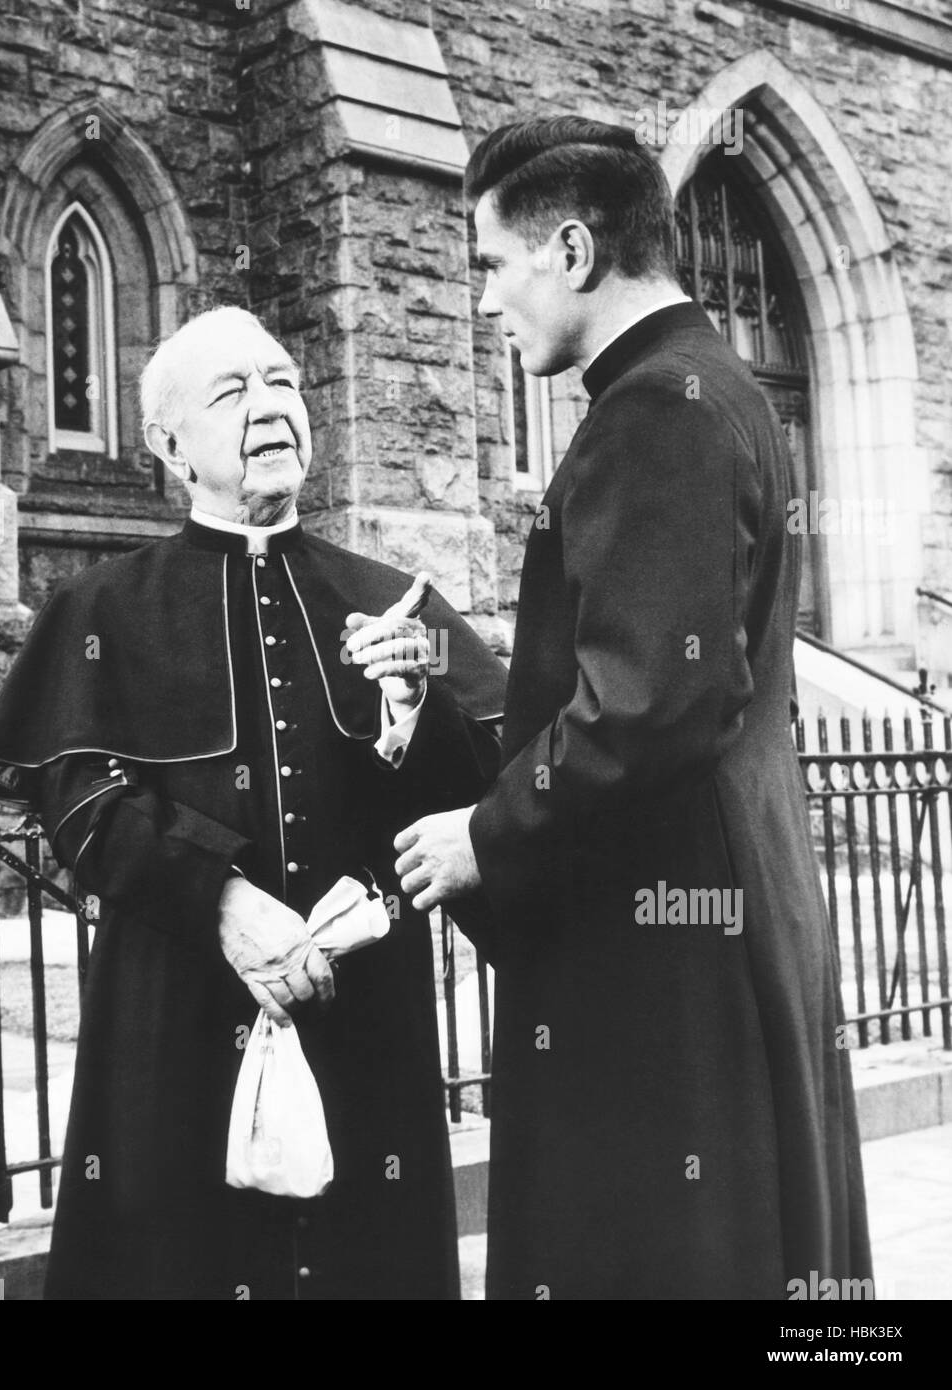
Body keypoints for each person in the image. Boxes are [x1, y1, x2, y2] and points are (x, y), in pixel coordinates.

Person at [394, 118, 872, 1300]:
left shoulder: (652, 412)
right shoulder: (715, 385)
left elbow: (646, 705)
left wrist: (484, 834)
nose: (487, 303)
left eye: (493, 266)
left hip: (661, 962)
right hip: (720, 912)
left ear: (568, 249)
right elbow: (657, 664)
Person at [0, 305, 506, 1300]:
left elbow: (480, 805)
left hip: (361, 1014)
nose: (268, 408)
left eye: (282, 384)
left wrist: (407, 712)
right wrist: (217, 895)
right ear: (169, 446)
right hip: (178, 1009)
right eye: (232, 392)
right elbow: (75, 798)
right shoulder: (101, 610)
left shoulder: (396, 603)